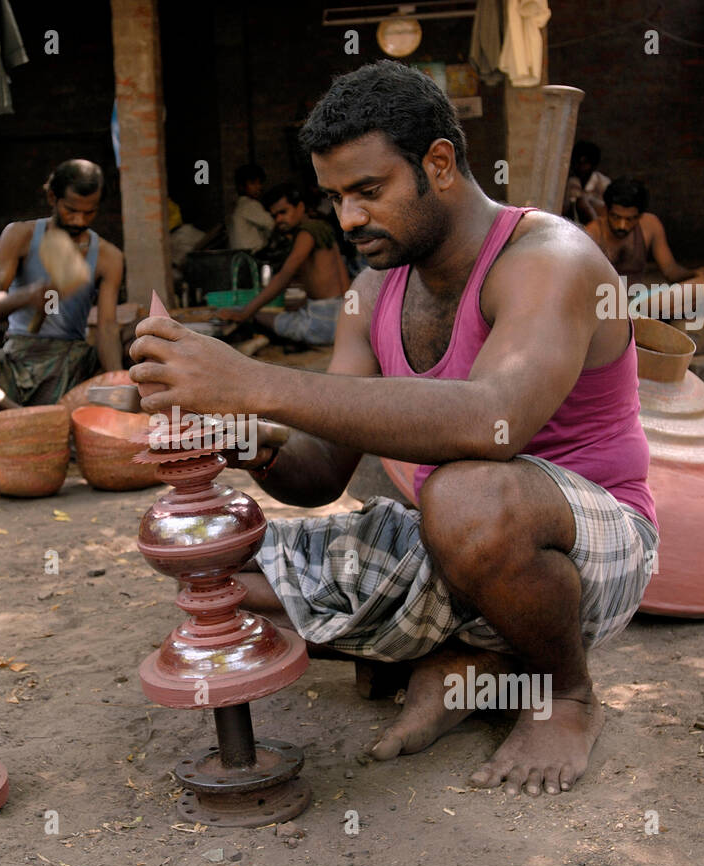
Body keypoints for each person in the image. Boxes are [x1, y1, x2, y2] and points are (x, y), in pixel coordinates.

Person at [129, 61, 659, 798]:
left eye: (367, 191)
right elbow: (318, 475)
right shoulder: (373, 290)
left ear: (438, 163)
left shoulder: (548, 260)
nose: (347, 219)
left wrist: (255, 380)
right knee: (216, 572)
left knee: (466, 496)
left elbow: (490, 422)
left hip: (588, 548)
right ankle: (469, 663)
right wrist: (243, 432)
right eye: (334, 197)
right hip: (454, 543)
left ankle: (564, 693)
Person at [0, 159, 124, 409]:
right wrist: (28, 295)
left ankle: (82, 404)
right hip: (17, 359)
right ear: (52, 198)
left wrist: (119, 384)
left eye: (89, 212)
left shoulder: (109, 257)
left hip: (74, 364)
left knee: (142, 334)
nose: (79, 221)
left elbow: (106, 328)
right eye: (71, 210)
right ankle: (13, 410)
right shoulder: (19, 236)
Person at [216, 184, 350, 345]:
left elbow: (285, 275)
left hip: (318, 325)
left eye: (283, 212)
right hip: (340, 320)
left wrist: (245, 313)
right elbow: (343, 278)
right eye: (274, 216)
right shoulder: (323, 228)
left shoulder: (306, 232)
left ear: (300, 207)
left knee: (256, 317)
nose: (278, 219)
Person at [584, 178, 704, 288]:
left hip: (637, 301)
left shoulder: (650, 225)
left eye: (630, 219)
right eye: (616, 217)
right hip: (602, 303)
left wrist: (693, 273)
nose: (622, 226)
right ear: (606, 210)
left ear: (640, 216)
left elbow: (670, 271)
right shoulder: (592, 233)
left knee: (699, 288)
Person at [228, 163, 275, 253]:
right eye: (253, 183)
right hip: (254, 255)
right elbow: (271, 224)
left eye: (260, 183)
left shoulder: (239, 205)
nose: (258, 187)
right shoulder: (249, 205)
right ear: (241, 186)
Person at [563, 141, 609, 225]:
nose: (580, 167)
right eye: (577, 162)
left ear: (593, 164)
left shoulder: (603, 183)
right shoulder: (572, 182)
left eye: (584, 163)